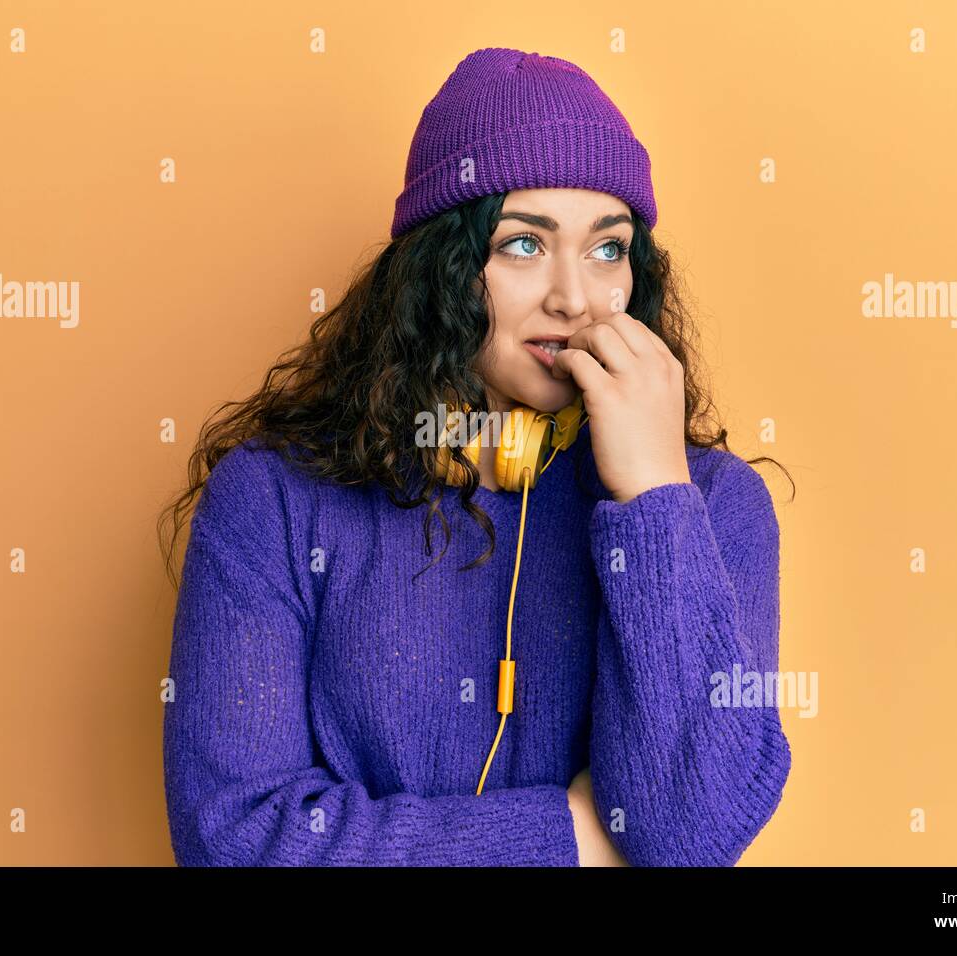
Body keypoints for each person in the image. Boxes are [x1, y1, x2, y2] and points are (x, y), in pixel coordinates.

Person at [158, 47, 794, 866]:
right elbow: (235, 843)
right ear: (442, 271)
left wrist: (653, 498)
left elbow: (692, 833)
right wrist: (569, 839)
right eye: (524, 245)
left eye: (609, 249)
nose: (574, 296)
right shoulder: (274, 499)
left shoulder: (708, 506)